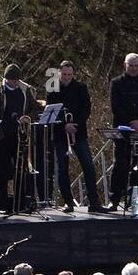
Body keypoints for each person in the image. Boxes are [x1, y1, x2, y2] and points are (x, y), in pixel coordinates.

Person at [46, 61, 103, 213]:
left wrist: (74, 125)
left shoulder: (81, 88)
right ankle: (68, 202)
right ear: (59, 73)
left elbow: (86, 109)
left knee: (89, 167)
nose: (66, 77)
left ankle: (94, 202)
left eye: (69, 75)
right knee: (62, 170)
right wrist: (64, 125)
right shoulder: (52, 88)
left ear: (73, 74)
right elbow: (50, 112)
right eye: (63, 74)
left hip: (78, 133)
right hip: (60, 135)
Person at [0, 65, 37, 214]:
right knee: (2, 171)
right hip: (3, 138)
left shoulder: (25, 91)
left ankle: (20, 203)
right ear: (5, 79)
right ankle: (0, 204)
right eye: (10, 79)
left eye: (15, 80)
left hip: (21, 136)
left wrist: (28, 119)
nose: (13, 82)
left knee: (21, 170)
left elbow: (34, 109)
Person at [107, 53, 138, 210]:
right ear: (125, 65)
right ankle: (114, 199)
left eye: (136, 65)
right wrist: (131, 121)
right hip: (123, 129)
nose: (134, 68)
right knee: (120, 164)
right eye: (131, 65)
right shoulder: (116, 83)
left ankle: (133, 198)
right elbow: (116, 107)